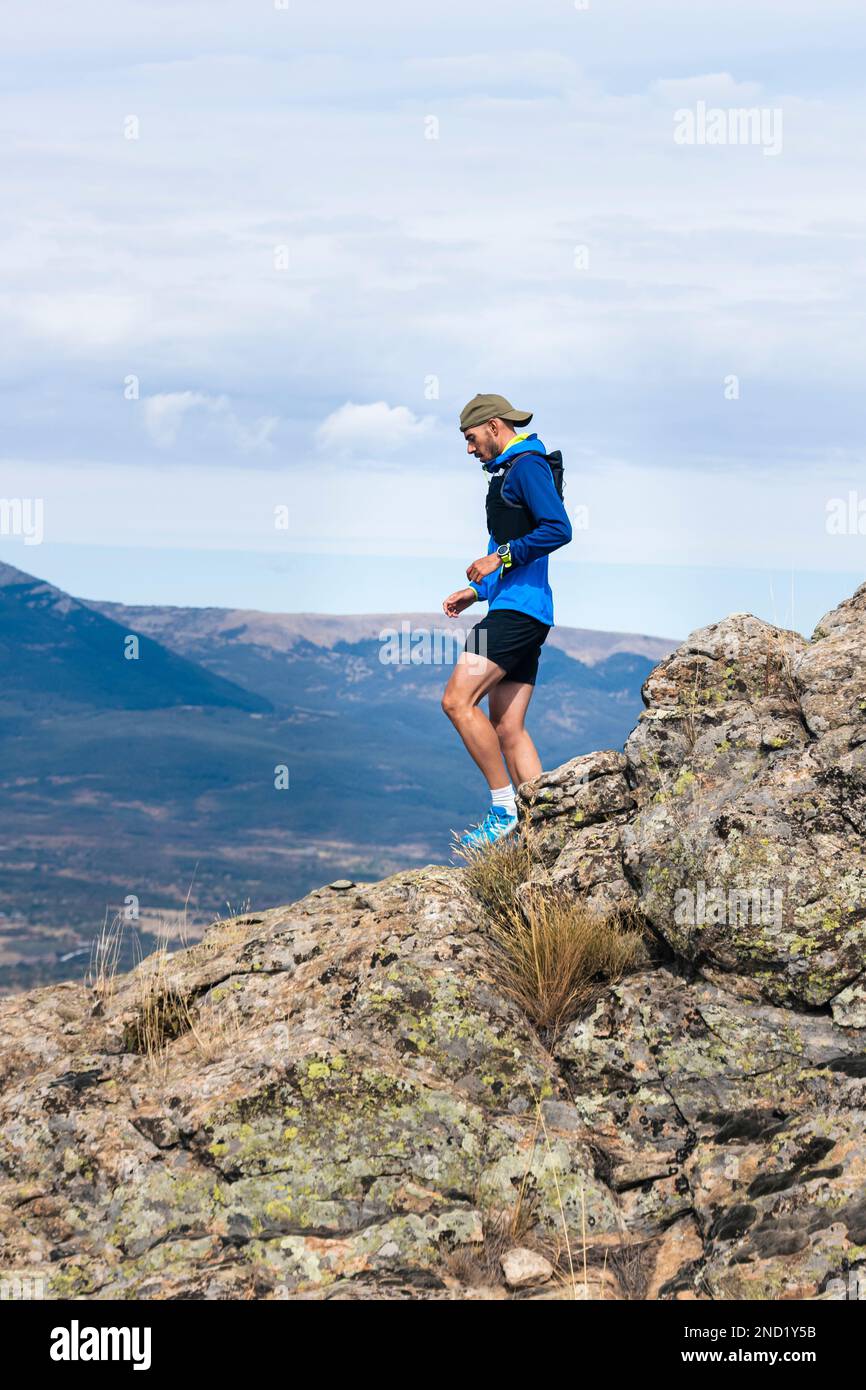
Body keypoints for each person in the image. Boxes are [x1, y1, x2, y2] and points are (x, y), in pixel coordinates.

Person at [441, 393, 572, 847]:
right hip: (520, 610)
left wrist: (497, 556)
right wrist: (477, 591)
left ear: (494, 426)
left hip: (518, 614)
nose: (470, 448)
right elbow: (517, 552)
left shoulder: (527, 466)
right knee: (508, 726)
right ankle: (545, 828)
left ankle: (503, 810)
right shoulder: (509, 472)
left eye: (472, 438)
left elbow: (559, 528)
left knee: (457, 702)